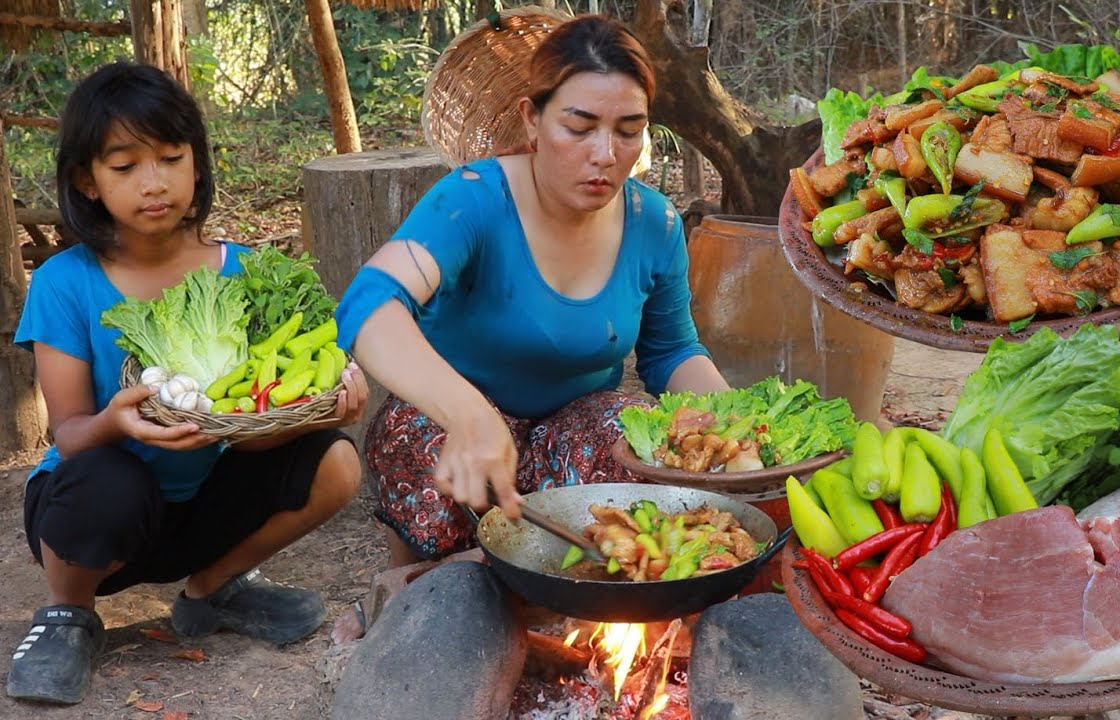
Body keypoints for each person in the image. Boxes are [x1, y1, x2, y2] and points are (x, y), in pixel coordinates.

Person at [330, 14, 730, 640]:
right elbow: (367, 305)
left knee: (631, 435)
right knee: (420, 439)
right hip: (457, 438)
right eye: (579, 127)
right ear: (532, 120)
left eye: (629, 131)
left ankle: (564, 605)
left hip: (566, 442)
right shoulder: (472, 199)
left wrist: (738, 427)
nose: (606, 154)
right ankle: (416, 588)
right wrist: (470, 414)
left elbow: (672, 350)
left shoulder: (654, 222)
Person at [7, 62, 369, 705]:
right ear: (87, 181)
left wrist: (315, 415)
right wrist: (116, 421)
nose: (155, 182)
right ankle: (68, 614)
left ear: (197, 165)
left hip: (202, 501)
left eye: (172, 158)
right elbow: (69, 434)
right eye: (125, 166)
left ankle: (211, 590)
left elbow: (246, 430)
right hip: (90, 519)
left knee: (335, 463)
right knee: (107, 478)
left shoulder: (246, 272)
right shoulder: (66, 281)